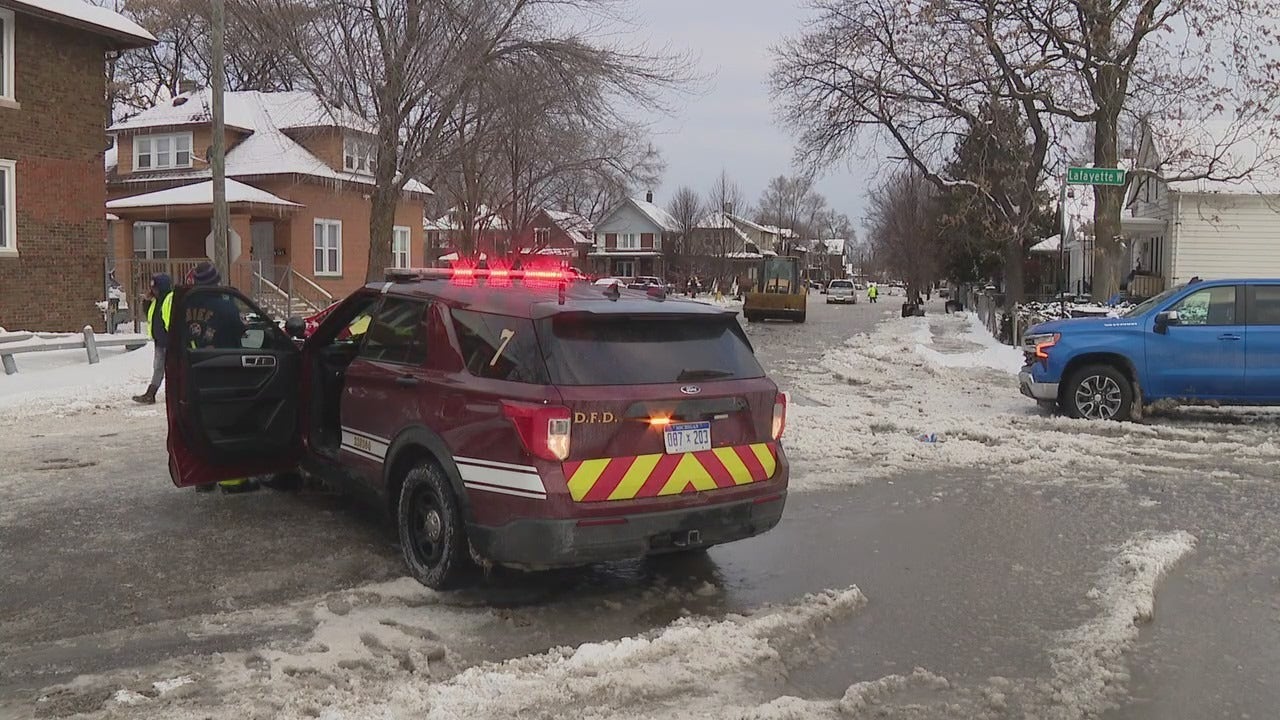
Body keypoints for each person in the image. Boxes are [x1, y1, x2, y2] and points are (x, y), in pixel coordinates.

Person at [183, 262, 257, 494]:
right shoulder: (226, 306)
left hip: (193, 373)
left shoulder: (185, 305)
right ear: (216, 281)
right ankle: (232, 481)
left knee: (200, 426)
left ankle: (204, 478)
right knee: (229, 426)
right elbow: (239, 331)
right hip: (225, 373)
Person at [132, 273, 173, 404]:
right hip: (160, 341)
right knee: (158, 368)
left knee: (170, 369)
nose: (153, 290)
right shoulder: (156, 301)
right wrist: (147, 302)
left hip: (170, 341)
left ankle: (164, 394)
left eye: (155, 288)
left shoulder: (170, 299)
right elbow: (151, 316)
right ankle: (151, 394)